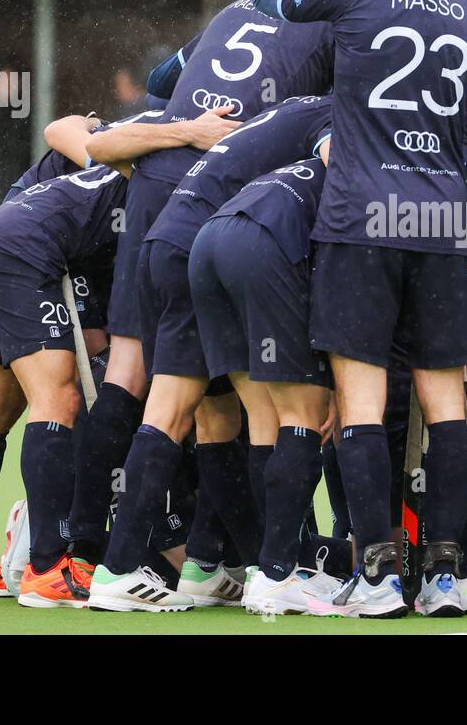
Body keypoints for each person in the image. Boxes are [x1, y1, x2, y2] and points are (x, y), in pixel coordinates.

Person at [251, 0, 467, 618]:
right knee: (444, 405)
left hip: (359, 221)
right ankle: (446, 578)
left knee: (361, 406)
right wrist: (453, 193)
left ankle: (377, 578)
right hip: (436, 227)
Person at [86, 95, 336, 612]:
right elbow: (340, 172)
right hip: (216, 243)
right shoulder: (336, 112)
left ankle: (137, 567)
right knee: (268, 411)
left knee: (191, 413)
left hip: (173, 243)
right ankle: (277, 571)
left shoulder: (288, 108)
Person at [0, 161, 129, 609]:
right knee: (57, 396)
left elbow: (65, 129)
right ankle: (46, 568)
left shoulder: (122, 144)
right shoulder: (164, 167)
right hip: (24, 254)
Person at [191, 153, 340, 615]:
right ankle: (278, 574)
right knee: (303, 414)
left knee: (263, 417)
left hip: (210, 241)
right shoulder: (376, 163)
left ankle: (265, 567)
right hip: (262, 245)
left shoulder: (305, 159)